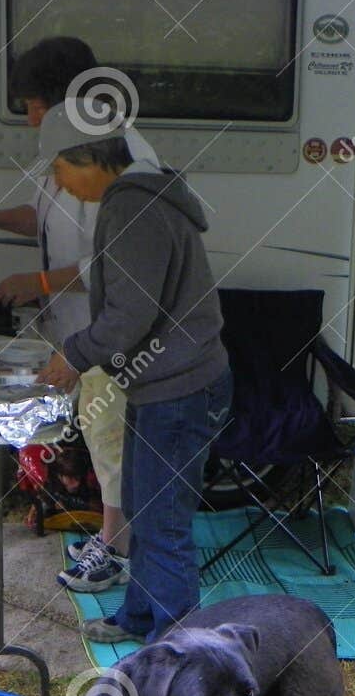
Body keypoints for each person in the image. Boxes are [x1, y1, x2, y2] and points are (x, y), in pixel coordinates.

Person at [0, 38, 158, 593]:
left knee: (111, 433)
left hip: (117, 329)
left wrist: (37, 282)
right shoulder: (69, 145)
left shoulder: (122, 153)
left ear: (67, 99)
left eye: (33, 107)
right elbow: (46, 216)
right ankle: (115, 535)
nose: (29, 121)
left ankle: (118, 550)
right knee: (98, 430)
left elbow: (116, 258)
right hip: (78, 328)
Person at [34, 105, 231, 645]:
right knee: (146, 512)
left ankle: (176, 652)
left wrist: (73, 356)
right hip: (167, 382)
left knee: (163, 525)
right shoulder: (140, 197)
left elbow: (129, 316)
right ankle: (139, 619)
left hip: (181, 389)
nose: (56, 181)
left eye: (58, 168)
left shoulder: (135, 210)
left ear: (89, 158)